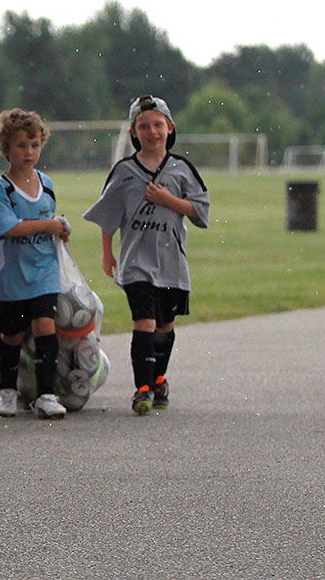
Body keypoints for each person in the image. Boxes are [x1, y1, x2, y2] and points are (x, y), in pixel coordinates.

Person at [84, 95, 209, 415]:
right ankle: (142, 388)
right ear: (133, 133)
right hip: (136, 262)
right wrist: (107, 254)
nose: (152, 131)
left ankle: (158, 379)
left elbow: (199, 212)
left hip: (171, 261)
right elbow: (108, 215)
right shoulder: (125, 171)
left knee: (165, 326)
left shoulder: (182, 169)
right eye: (144, 126)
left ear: (169, 128)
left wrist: (169, 199)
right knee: (145, 322)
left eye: (157, 125)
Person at [0, 109, 70, 420]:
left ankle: (47, 394)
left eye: (34, 144)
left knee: (46, 327)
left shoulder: (46, 183)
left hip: (44, 271)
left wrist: (60, 229)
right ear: (6, 148)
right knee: (12, 336)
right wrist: (47, 226)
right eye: (21, 145)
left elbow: (49, 222)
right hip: (12, 275)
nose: (29, 152)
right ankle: (7, 391)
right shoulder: (1, 189)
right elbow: (7, 228)